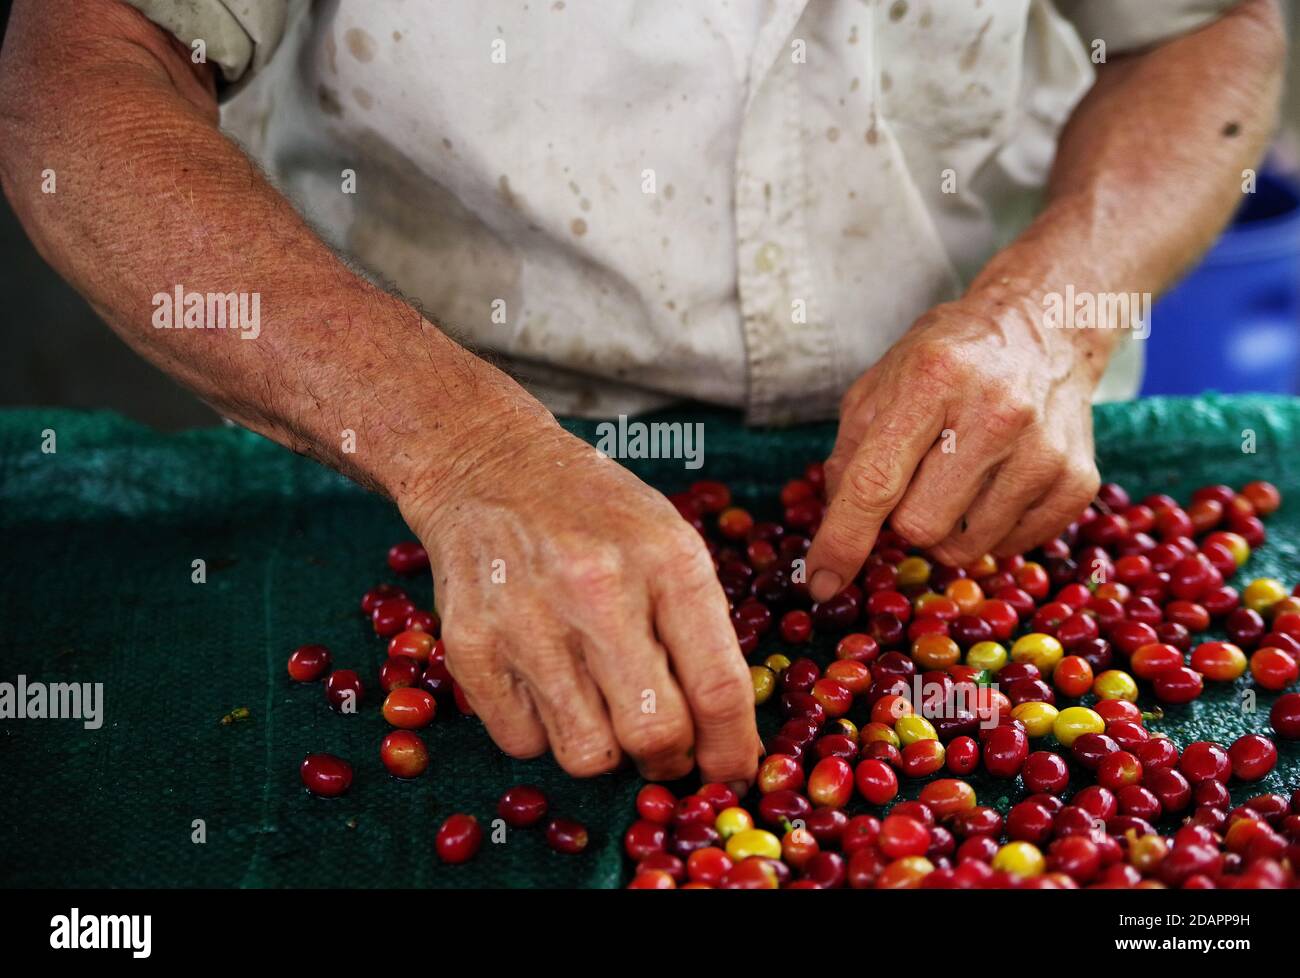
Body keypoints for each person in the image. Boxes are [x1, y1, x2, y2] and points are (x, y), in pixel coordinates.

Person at [0, 0, 1284, 792]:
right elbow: (74, 70)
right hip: (418, 421)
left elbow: (1206, 27)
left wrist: (1047, 318)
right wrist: (456, 450)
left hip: (960, 426)